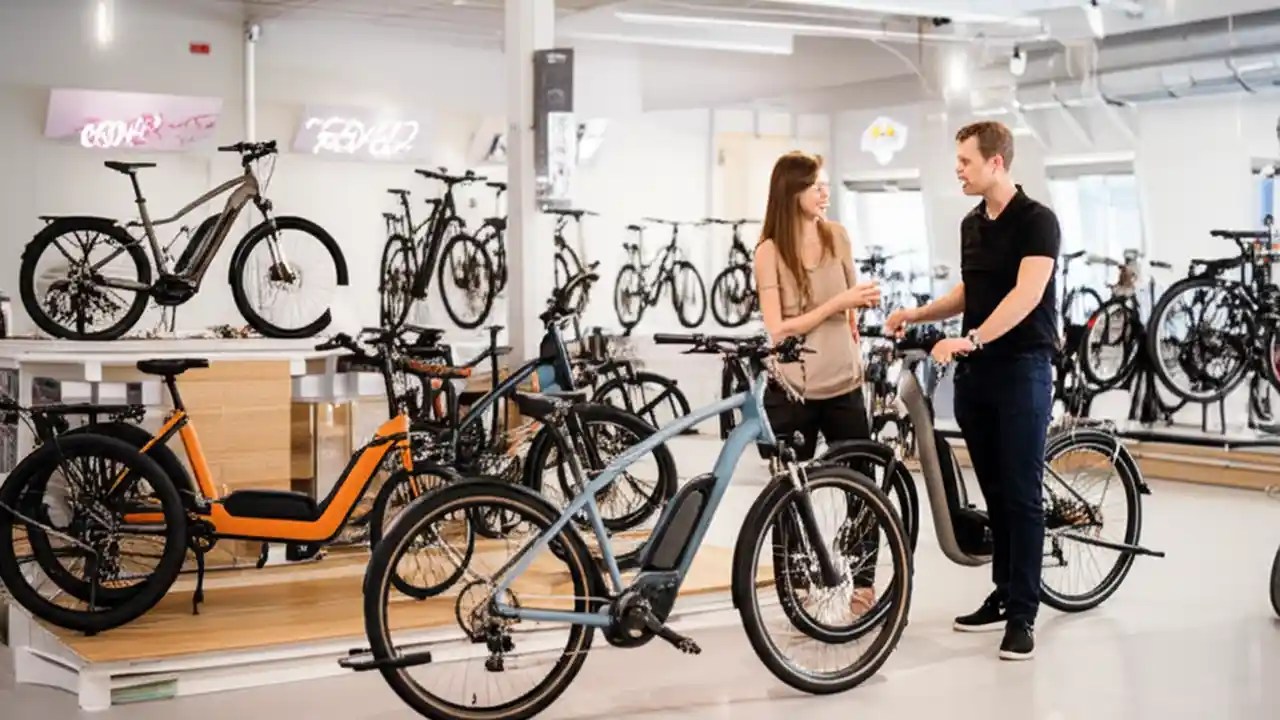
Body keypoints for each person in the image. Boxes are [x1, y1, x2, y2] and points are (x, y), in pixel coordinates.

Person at [885, 120, 1059, 662]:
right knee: (998, 495)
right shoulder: (970, 223)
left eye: (964, 161)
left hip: (1023, 366)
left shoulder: (1037, 222)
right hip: (978, 370)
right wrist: (918, 312)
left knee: (1023, 494)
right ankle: (1004, 594)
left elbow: (1027, 294)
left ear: (996, 163)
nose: (957, 170)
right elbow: (973, 290)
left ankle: (1024, 615)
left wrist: (974, 338)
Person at [753, 150, 881, 613]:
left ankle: (864, 585)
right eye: (816, 185)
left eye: (825, 183)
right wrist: (839, 303)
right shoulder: (768, 252)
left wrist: (854, 311)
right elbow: (778, 328)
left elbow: (850, 310)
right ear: (792, 192)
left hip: (844, 382)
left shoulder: (839, 236)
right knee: (789, 495)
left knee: (862, 488)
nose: (825, 192)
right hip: (792, 390)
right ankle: (795, 588)